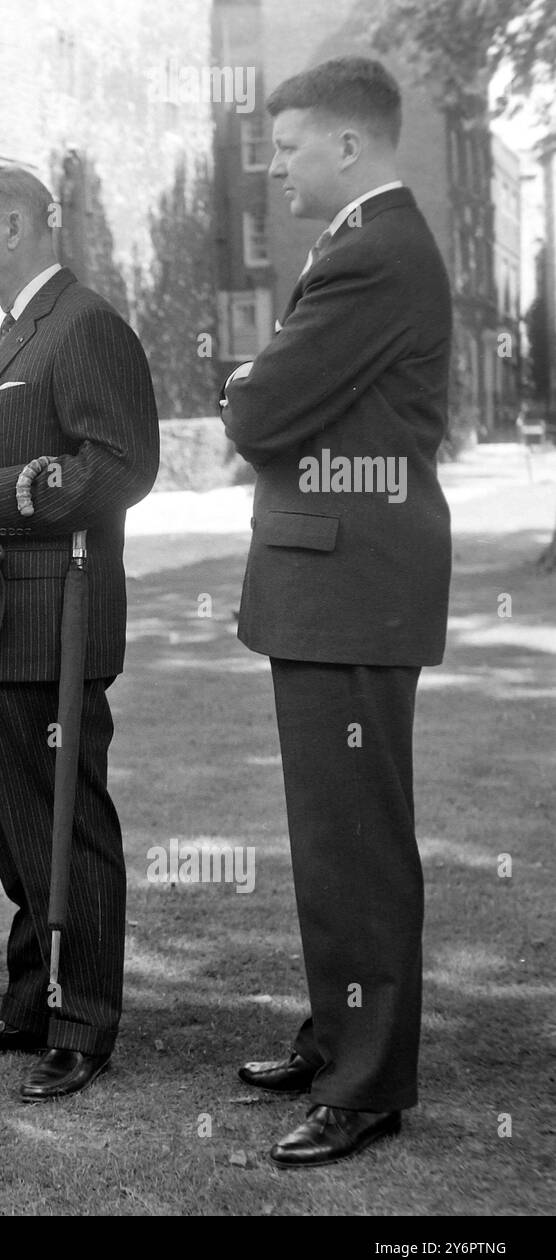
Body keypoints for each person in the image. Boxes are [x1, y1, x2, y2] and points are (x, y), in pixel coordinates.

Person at [221, 57, 452, 1168]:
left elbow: (262, 410)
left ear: (348, 146)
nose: (275, 166)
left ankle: (367, 1085)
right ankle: (338, 1036)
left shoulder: (370, 254)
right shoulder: (361, 246)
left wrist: (247, 388)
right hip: (336, 581)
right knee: (330, 836)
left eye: (290, 145)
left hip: (351, 587)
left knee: (352, 839)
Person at [0, 165, 159, 1100]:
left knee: (67, 830)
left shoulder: (86, 324)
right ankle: (34, 998)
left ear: (16, 225)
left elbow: (118, 469)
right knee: (22, 829)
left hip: (51, 626)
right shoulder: (24, 329)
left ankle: (83, 1020)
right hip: (0, 625)